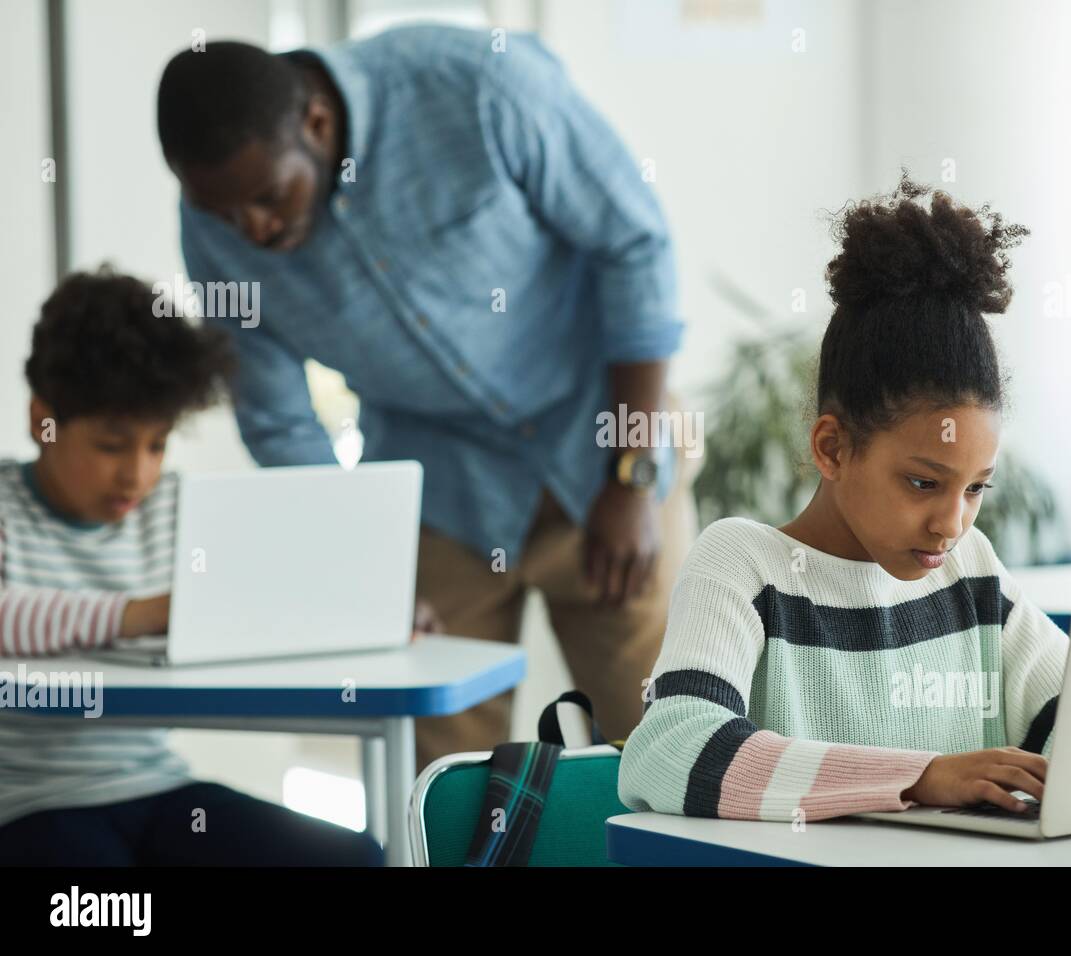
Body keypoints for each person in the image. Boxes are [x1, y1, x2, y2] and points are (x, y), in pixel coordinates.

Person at [155, 25, 696, 769]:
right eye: (223, 213)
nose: (251, 229)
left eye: (267, 197)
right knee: (444, 785)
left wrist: (632, 473)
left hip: (600, 449)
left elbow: (634, 244)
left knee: (665, 753)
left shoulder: (477, 88)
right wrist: (360, 569)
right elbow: (278, 417)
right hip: (444, 497)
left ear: (315, 124)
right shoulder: (213, 231)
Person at [618, 174, 1068, 821]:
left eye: (975, 488)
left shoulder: (973, 573)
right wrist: (919, 778)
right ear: (832, 448)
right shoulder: (742, 566)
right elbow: (668, 750)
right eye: (923, 482)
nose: (951, 522)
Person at [0, 267, 383, 865]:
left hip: (157, 786)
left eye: (157, 444)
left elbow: (265, 598)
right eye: (111, 444)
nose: (137, 474)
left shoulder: (176, 509)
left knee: (354, 858)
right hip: (30, 802)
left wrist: (367, 613)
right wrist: (142, 615)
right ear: (41, 421)